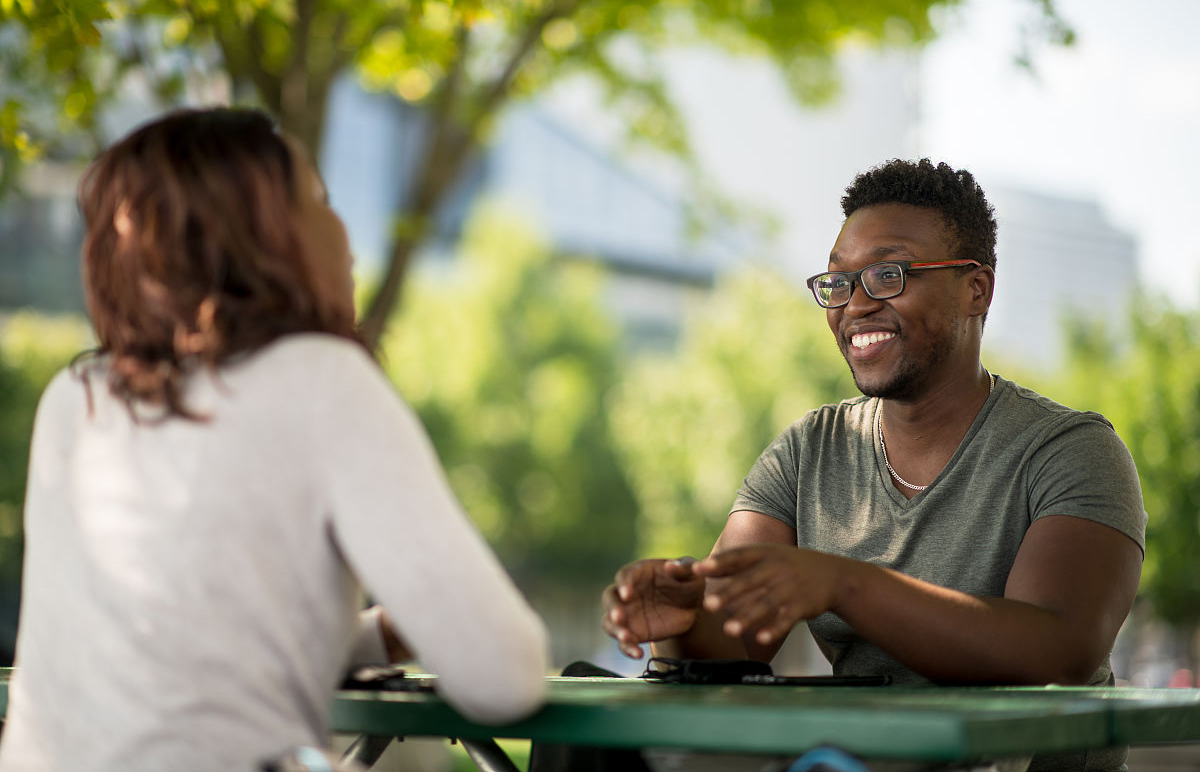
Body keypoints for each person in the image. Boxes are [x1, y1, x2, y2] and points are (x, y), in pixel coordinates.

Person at [0, 107, 548, 771]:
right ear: (263, 235)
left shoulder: (75, 398)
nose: (345, 232)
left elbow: (184, 657)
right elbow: (504, 677)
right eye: (319, 200)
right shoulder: (320, 380)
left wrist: (380, 637)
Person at [601, 159, 1146, 771]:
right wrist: (681, 622)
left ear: (976, 289)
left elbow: (1057, 651)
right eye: (839, 281)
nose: (856, 304)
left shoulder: (1070, 450)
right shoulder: (808, 451)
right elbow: (730, 646)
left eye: (889, 274)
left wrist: (842, 583)